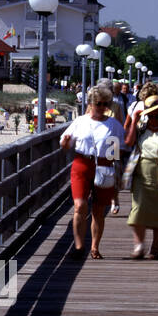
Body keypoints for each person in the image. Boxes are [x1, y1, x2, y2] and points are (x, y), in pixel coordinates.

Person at [60, 83, 124, 260]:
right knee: (80, 205)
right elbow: (66, 145)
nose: (103, 108)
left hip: (104, 166)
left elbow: (117, 151)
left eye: (106, 104)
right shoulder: (80, 121)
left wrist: (115, 170)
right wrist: (65, 144)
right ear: (91, 104)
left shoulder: (114, 125)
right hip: (82, 164)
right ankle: (79, 246)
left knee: (98, 209)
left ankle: (95, 246)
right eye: (99, 104)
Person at [123, 94, 158, 259]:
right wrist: (134, 120)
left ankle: (155, 248)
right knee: (138, 210)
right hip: (141, 172)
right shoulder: (141, 127)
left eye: (157, 116)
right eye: (150, 116)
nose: (154, 120)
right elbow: (129, 142)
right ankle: (139, 245)